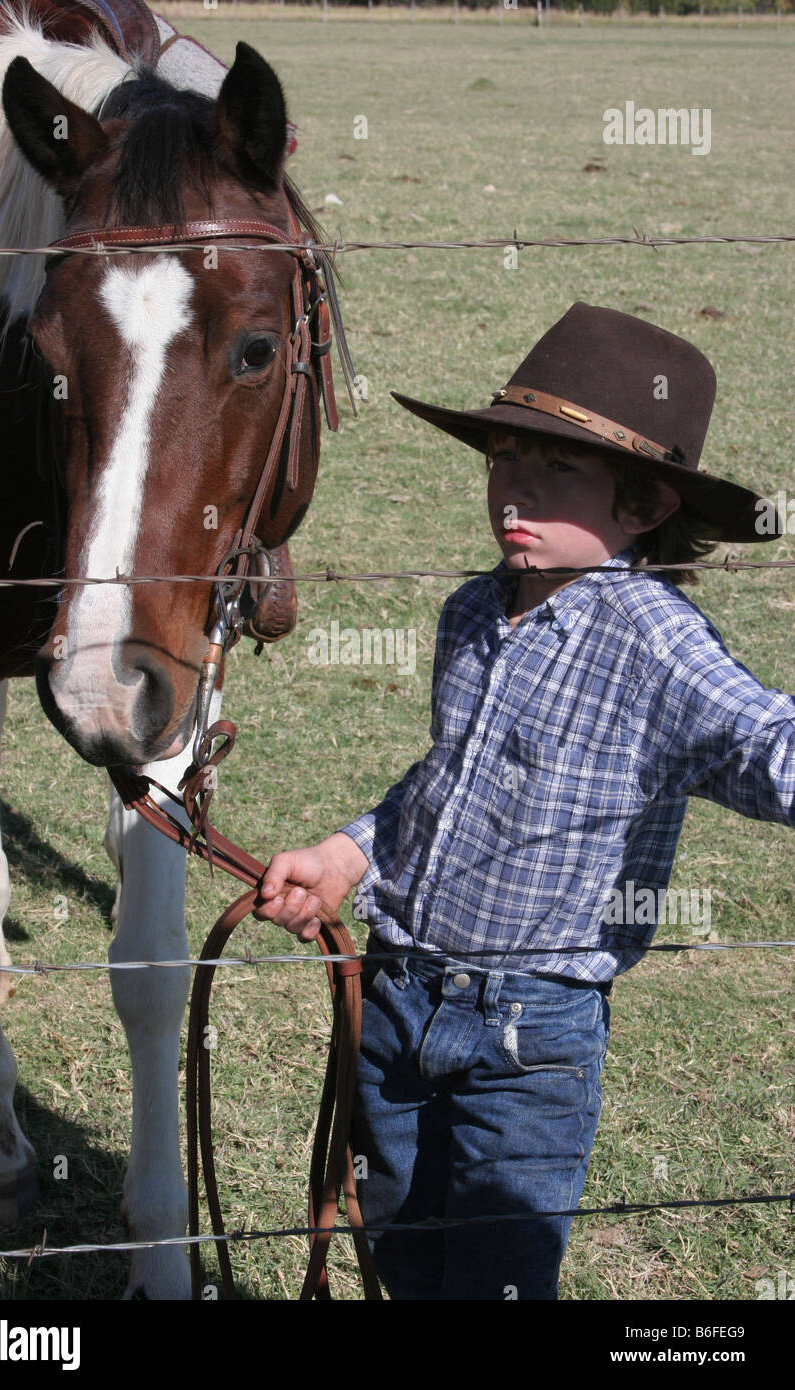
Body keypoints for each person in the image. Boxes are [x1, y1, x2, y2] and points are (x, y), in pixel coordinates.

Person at [253, 302, 789, 1300]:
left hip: (527, 1037)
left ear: (644, 506)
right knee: (398, 1249)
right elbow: (441, 783)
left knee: (497, 1272)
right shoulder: (470, 608)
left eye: (556, 470)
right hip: (396, 996)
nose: (513, 489)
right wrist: (346, 855)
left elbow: (769, 746)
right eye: (502, 455)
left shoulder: (654, 639)